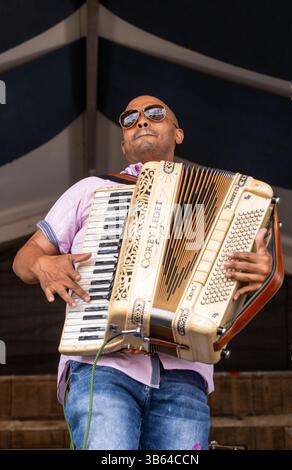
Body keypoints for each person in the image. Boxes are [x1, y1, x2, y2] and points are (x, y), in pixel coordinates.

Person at [13, 95, 272, 450]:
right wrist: (43, 263)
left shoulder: (215, 204)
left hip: (183, 375)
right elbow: (24, 258)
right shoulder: (90, 191)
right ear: (123, 144)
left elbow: (236, 288)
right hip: (102, 365)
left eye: (154, 114)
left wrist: (262, 274)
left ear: (178, 133)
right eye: (129, 118)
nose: (141, 121)